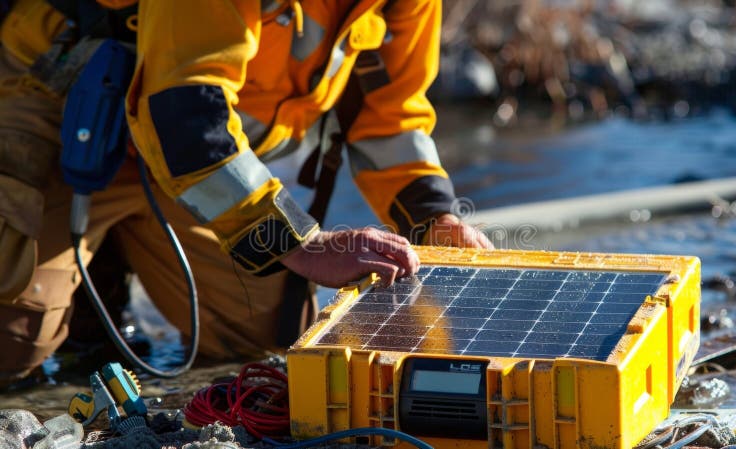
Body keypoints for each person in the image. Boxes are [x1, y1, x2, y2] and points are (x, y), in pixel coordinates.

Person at [0, 0, 492, 384]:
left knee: (269, 338)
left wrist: (435, 218)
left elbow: (388, 114)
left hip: (198, 162)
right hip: (63, 110)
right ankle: (91, 274)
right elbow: (185, 112)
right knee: (12, 342)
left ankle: (115, 251)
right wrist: (299, 243)